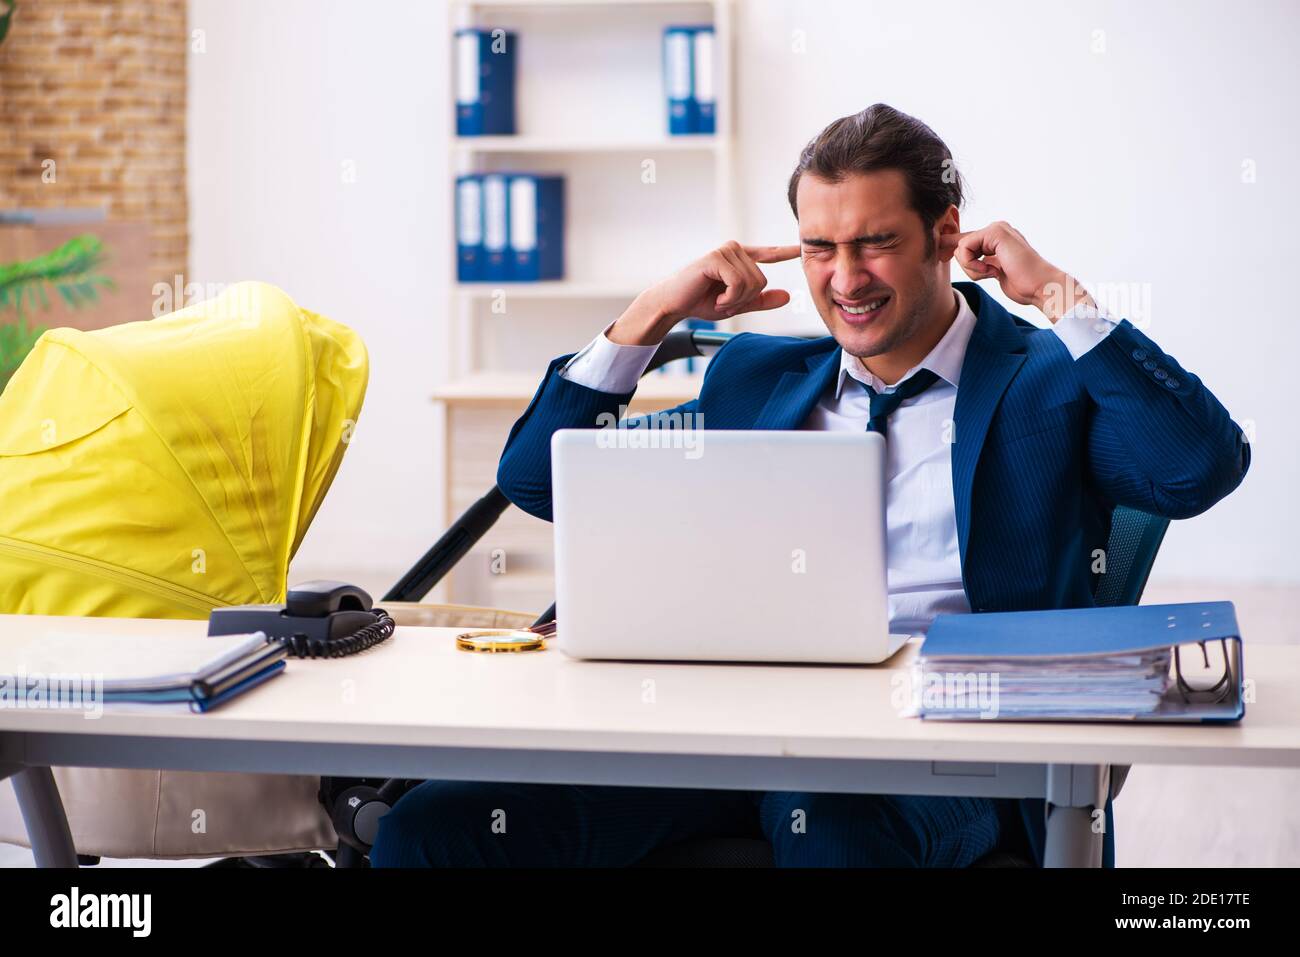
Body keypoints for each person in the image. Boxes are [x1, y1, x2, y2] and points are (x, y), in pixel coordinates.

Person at [372, 103, 1250, 867]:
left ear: (946, 233)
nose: (844, 278)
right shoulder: (756, 379)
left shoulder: (1047, 381)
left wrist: (1061, 296)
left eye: (876, 243)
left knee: (832, 821)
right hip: (730, 730)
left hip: (941, 751)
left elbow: (1198, 466)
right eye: (819, 248)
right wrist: (650, 314)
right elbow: (537, 481)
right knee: (434, 828)